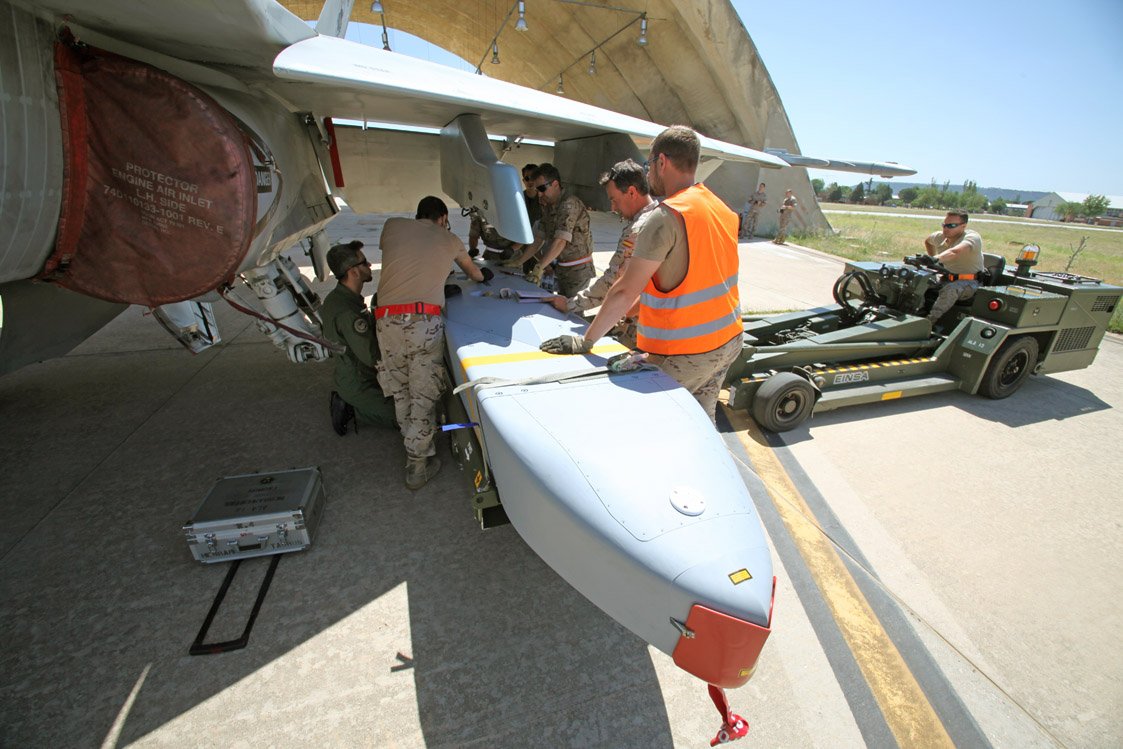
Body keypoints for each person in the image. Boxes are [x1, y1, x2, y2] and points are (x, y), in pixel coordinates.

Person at [539, 125, 743, 423]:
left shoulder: (666, 217)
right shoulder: (721, 209)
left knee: (645, 423)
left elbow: (624, 290)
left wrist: (586, 341)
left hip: (685, 353)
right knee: (701, 423)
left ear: (662, 162)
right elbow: (691, 279)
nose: (648, 174)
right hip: (728, 342)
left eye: (649, 165)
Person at [376, 196, 492, 490]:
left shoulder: (392, 226)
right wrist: (482, 276)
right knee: (423, 391)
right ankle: (418, 465)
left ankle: (411, 443)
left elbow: (408, 261)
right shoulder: (449, 239)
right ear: (442, 218)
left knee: (400, 388)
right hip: (422, 323)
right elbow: (475, 274)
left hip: (386, 321)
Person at [548, 159, 656, 349]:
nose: (613, 208)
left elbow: (614, 280)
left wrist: (571, 305)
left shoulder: (639, 229)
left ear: (632, 192)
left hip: (640, 330)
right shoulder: (660, 217)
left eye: (614, 200)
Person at [321, 240, 397, 435]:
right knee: (409, 417)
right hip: (361, 384)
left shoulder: (339, 298)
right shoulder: (348, 313)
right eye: (364, 262)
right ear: (353, 272)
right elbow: (372, 357)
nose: (370, 265)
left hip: (354, 374)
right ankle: (351, 409)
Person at [502, 163, 595, 296]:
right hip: (561, 268)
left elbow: (561, 241)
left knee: (571, 307)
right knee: (559, 304)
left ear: (555, 184)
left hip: (578, 272)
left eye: (542, 188)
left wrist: (539, 267)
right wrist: (519, 261)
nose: (539, 194)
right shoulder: (548, 205)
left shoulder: (569, 204)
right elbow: (539, 237)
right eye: (537, 189)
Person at [467, 163, 542, 259]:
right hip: (492, 255)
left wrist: (512, 249)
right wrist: (472, 248)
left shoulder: (515, 204)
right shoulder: (482, 209)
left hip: (522, 251)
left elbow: (526, 233)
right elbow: (474, 233)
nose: (530, 181)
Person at [923, 210, 984, 325]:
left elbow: (955, 252)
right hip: (945, 277)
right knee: (919, 279)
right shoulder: (940, 237)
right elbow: (928, 241)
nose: (946, 228)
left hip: (969, 282)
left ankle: (929, 322)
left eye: (951, 226)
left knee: (950, 289)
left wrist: (935, 259)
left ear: (963, 226)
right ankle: (912, 311)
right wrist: (932, 260)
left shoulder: (972, 237)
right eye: (944, 225)